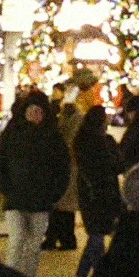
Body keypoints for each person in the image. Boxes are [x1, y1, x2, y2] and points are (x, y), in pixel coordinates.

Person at [0, 87, 71, 277]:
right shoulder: (13, 132)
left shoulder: (52, 137)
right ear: (25, 112)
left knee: (34, 246)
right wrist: (5, 187)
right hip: (15, 199)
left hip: (41, 202)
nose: (35, 115)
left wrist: (54, 194)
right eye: (32, 111)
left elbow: (63, 167)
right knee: (16, 242)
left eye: (39, 112)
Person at [71, 75, 124, 277]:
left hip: (89, 195)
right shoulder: (104, 143)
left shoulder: (81, 142)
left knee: (96, 239)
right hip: (104, 195)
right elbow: (117, 166)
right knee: (97, 241)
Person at [46, 83, 81, 252]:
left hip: (68, 163)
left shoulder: (74, 117)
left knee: (65, 204)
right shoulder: (62, 116)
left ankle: (66, 238)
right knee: (58, 203)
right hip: (60, 162)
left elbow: (69, 138)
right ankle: (54, 237)